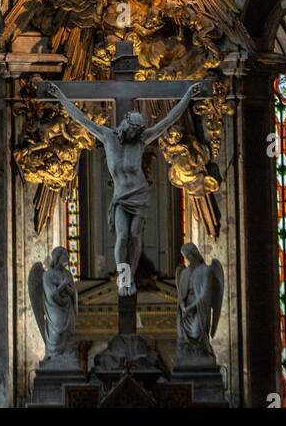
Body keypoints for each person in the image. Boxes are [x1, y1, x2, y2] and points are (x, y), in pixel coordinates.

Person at [39, 79, 204, 295]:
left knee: (135, 234)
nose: (135, 135)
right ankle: (123, 279)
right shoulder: (107, 137)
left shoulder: (141, 139)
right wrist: (60, 95)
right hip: (120, 196)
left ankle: (131, 280)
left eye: (138, 132)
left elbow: (168, 120)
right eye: (133, 130)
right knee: (122, 235)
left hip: (139, 194)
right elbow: (80, 119)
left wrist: (188, 95)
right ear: (126, 122)